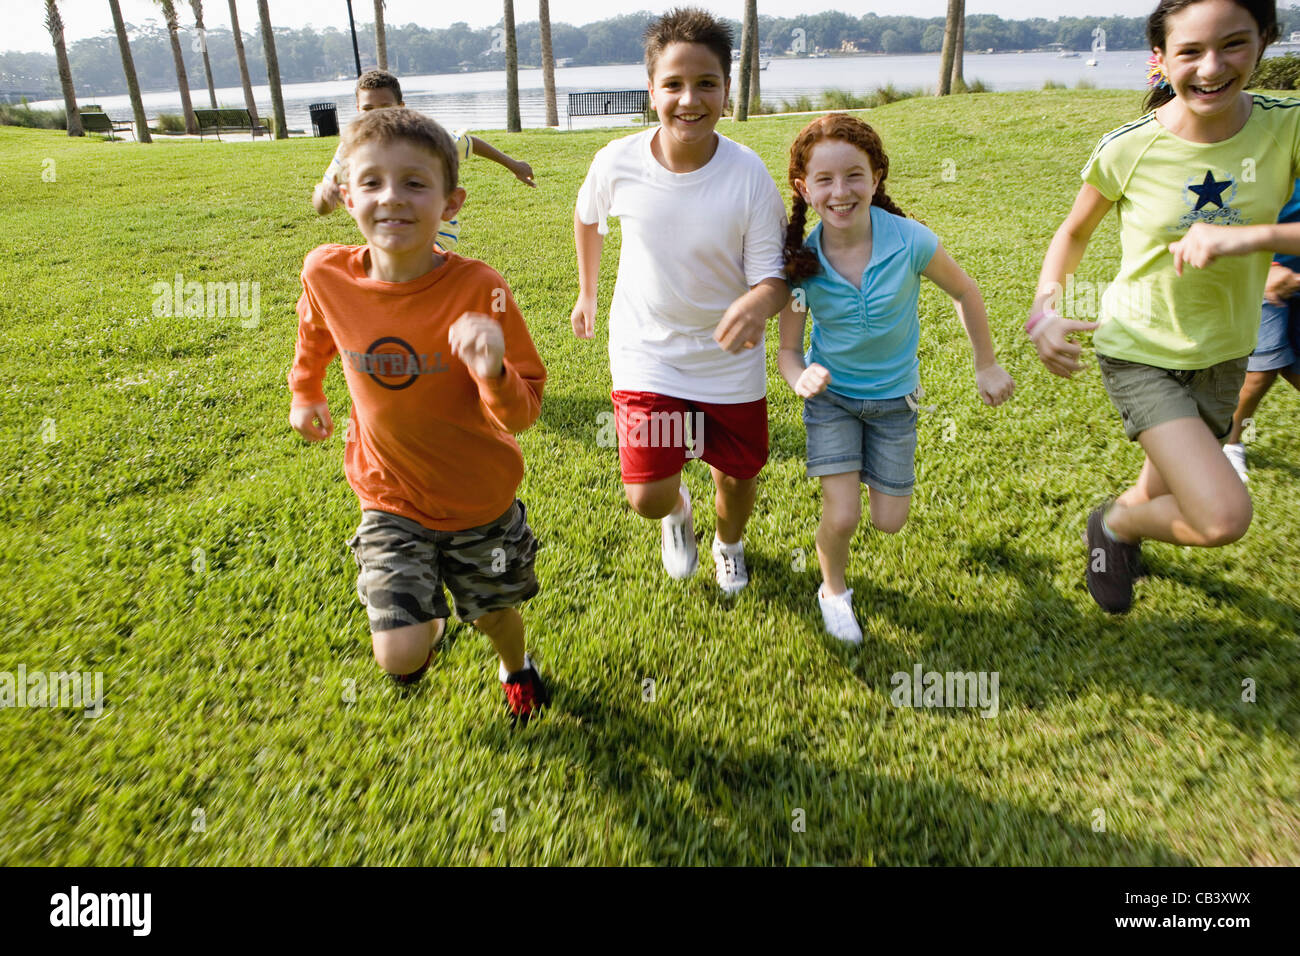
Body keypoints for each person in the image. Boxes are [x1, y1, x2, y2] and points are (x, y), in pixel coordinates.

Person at [1028, 0, 1300, 614]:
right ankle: (1117, 525)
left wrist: (1249, 236)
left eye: (1234, 44)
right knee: (1222, 515)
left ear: (1266, 38)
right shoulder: (1129, 148)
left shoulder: (1289, 126)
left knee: (1173, 475)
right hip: (1140, 350)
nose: (1212, 67)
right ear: (1163, 58)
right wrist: (1045, 310)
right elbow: (1073, 233)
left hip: (1228, 350)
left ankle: (1120, 526)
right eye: (1190, 52)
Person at [288, 108, 549, 726]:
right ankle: (421, 617)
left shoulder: (479, 287)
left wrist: (491, 372)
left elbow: (524, 410)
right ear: (347, 194)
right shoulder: (326, 271)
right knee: (400, 655)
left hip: (478, 499)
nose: (392, 199)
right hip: (388, 494)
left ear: (450, 203)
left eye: (414, 183)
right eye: (372, 182)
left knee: (491, 615)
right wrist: (305, 391)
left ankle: (517, 667)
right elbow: (314, 329)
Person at [570, 7, 789, 595]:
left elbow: (775, 276)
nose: (689, 99)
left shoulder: (749, 177)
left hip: (728, 357)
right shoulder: (617, 160)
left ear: (726, 89)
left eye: (706, 84)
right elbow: (587, 216)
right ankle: (676, 514)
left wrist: (760, 304)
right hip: (648, 347)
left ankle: (729, 545)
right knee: (646, 496)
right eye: (673, 84)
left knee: (739, 476)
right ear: (652, 91)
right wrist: (589, 292)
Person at [777, 114, 1014, 643]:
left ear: (877, 176)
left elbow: (965, 292)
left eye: (855, 175)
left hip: (893, 403)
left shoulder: (910, 241)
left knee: (889, 521)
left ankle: (860, 467)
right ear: (804, 188)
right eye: (825, 180)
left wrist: (986, 363)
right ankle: (833, 592)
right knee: (842, 516)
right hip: (832, 401)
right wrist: (800, 378)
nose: (841, 191)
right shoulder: (802, 262)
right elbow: (789, 350)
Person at [310, 69, 536, 252]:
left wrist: (514, 165)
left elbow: (469, 143)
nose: (377, 116)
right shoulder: (350, 149)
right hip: (390, 237)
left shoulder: (422, 137)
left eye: (386, 107)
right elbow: (322, 203)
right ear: (359, 110)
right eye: (369, 109)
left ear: (401, 107)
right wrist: (325, 194)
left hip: (435, 239)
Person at [1222, 179, 1300, 481]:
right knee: (1261, 370)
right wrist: (1263, 267)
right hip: (1259, 274)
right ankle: (1229, 443)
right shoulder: (1267, 146)